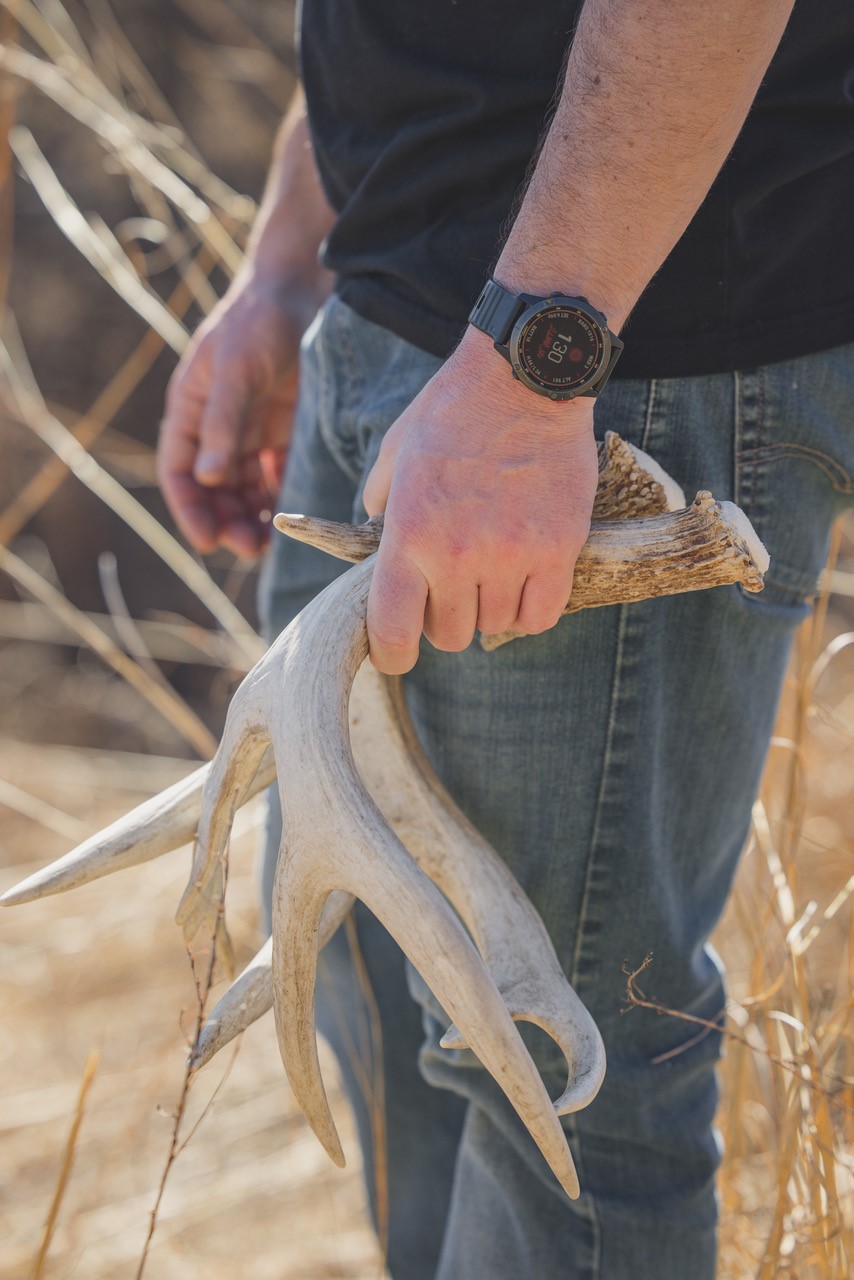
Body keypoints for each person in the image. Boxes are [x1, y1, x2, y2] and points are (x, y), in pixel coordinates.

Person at [157, 1, 854, 1276]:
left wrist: (540, 362)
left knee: (562, 1082)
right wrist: (292, 255)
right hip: (403, 324)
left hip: (609, 371)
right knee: (384, 971)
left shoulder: (554, 368)